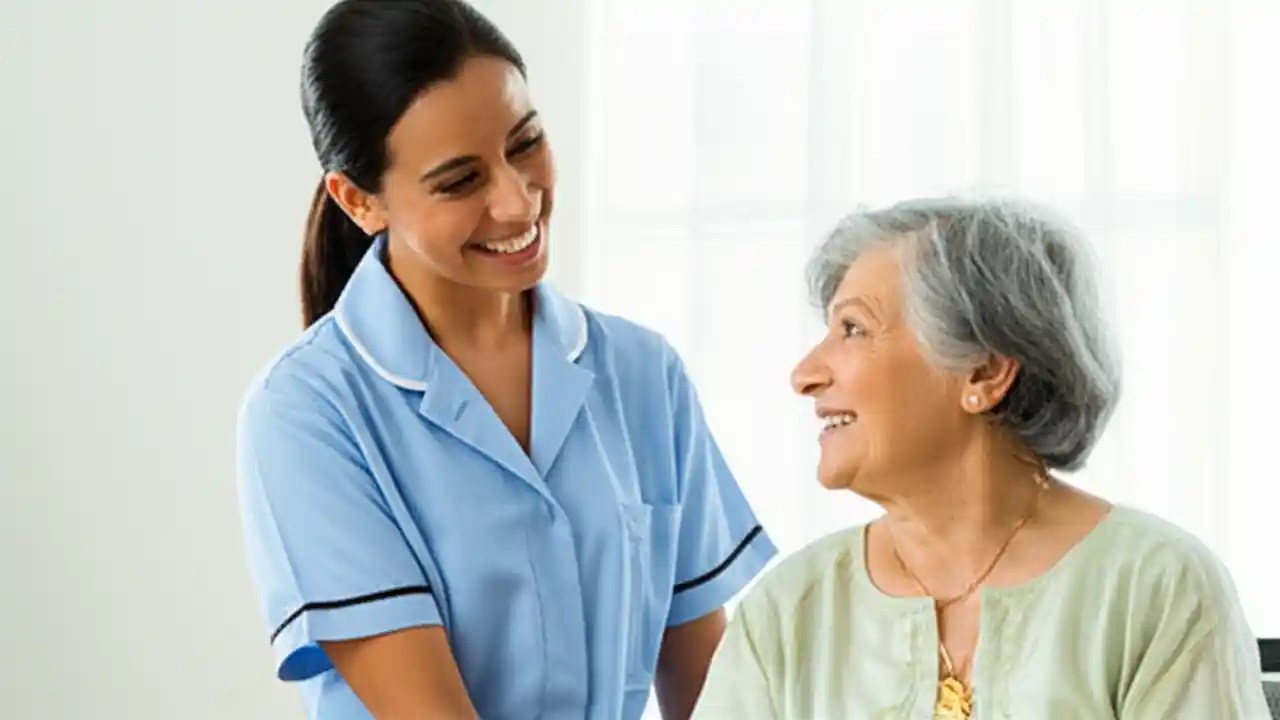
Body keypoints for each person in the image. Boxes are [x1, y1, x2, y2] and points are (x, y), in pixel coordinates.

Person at [235, 2, 776, 718]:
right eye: (460, 181)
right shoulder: (307, 412)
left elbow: (711, 695)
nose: (518, 203)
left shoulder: (645, 375)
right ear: (359, 201)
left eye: (526, 143)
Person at [692, 197, 1269, 719]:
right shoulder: (789, 611)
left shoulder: (1155, 587)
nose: (805, 375)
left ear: (984, 372)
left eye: (853, 329)